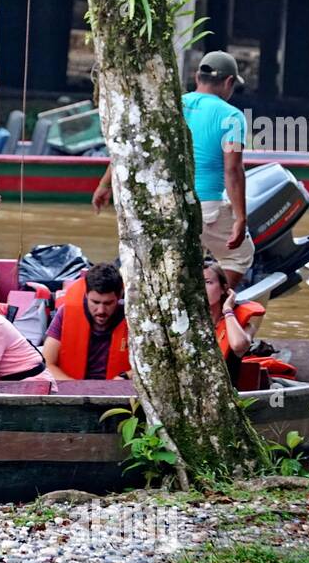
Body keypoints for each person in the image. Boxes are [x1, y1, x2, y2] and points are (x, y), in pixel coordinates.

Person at [92, 50, 253, 287]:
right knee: (239, 256)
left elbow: (130, 149)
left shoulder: (170, 106)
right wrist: (240, 217)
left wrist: (104, 185)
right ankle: (216, 309)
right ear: (229, 82)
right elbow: (233, 171)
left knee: (181, 264)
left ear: (198, 77)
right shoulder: (232, 116)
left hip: (165, 204)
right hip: (206, 207)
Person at [42, 262, 131, 381]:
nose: (101, 310)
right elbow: (47, 364)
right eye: (95, 302)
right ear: (86, 294)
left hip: (119, 392)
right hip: (72, 390)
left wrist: (126, 377)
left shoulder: (133, 318)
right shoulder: (65, 313)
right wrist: (76, 389)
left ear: (120, 296)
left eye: (108, 303)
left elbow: (150, 365)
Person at [204, 261, 265, 385]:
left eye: (208, 282)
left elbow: (238, 345)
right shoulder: (186, 323)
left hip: (226, 392)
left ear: (224, 289)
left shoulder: (246, 326)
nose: (202, 288)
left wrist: (228, 310)